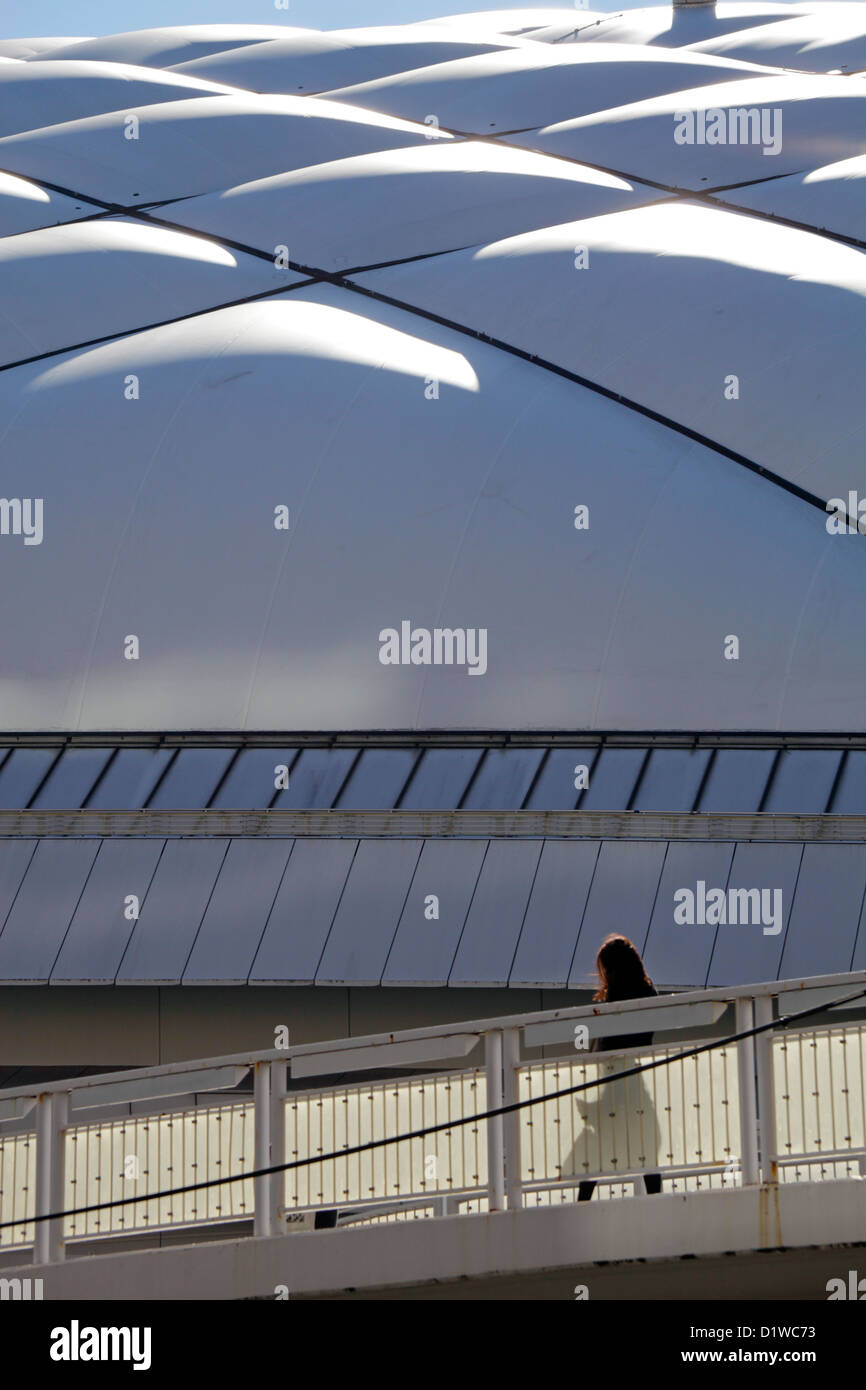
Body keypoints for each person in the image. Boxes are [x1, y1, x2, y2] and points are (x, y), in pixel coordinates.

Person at [577, 934, 662, 1201]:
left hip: (613, 1085)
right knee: (648, 1153)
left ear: (613, 969)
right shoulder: (649, 992)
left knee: (595, 1154)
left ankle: (582, 1205)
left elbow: (606, 1043)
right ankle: (656, 1207)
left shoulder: (616, 995)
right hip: (637, 1085)